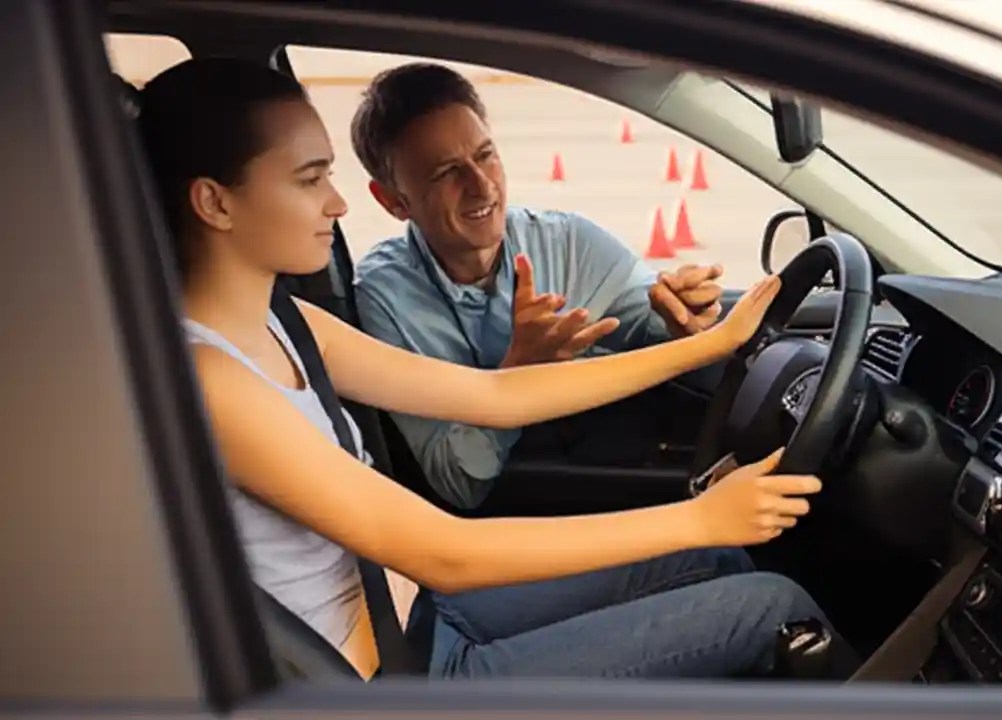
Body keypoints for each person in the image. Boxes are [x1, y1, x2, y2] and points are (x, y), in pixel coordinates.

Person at [135, 56, 840, 681]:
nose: (337, 202)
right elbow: (444, 549)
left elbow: (494, 394)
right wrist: (701, 516)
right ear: (215, 202)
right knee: (770, 606)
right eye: (310, 178)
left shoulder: (287, 321)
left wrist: (706, 345)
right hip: (404, 672)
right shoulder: (209, 379)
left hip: (420, 613)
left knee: (720, 565)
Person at [350, 63, 727, 512]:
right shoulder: (384, 297)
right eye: (446, 172)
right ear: (393, 201)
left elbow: (652, 321)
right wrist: (517, 374)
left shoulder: (568, 244)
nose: (481, 184)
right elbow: (456, 484)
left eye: (485, 154)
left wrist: (682, 314)